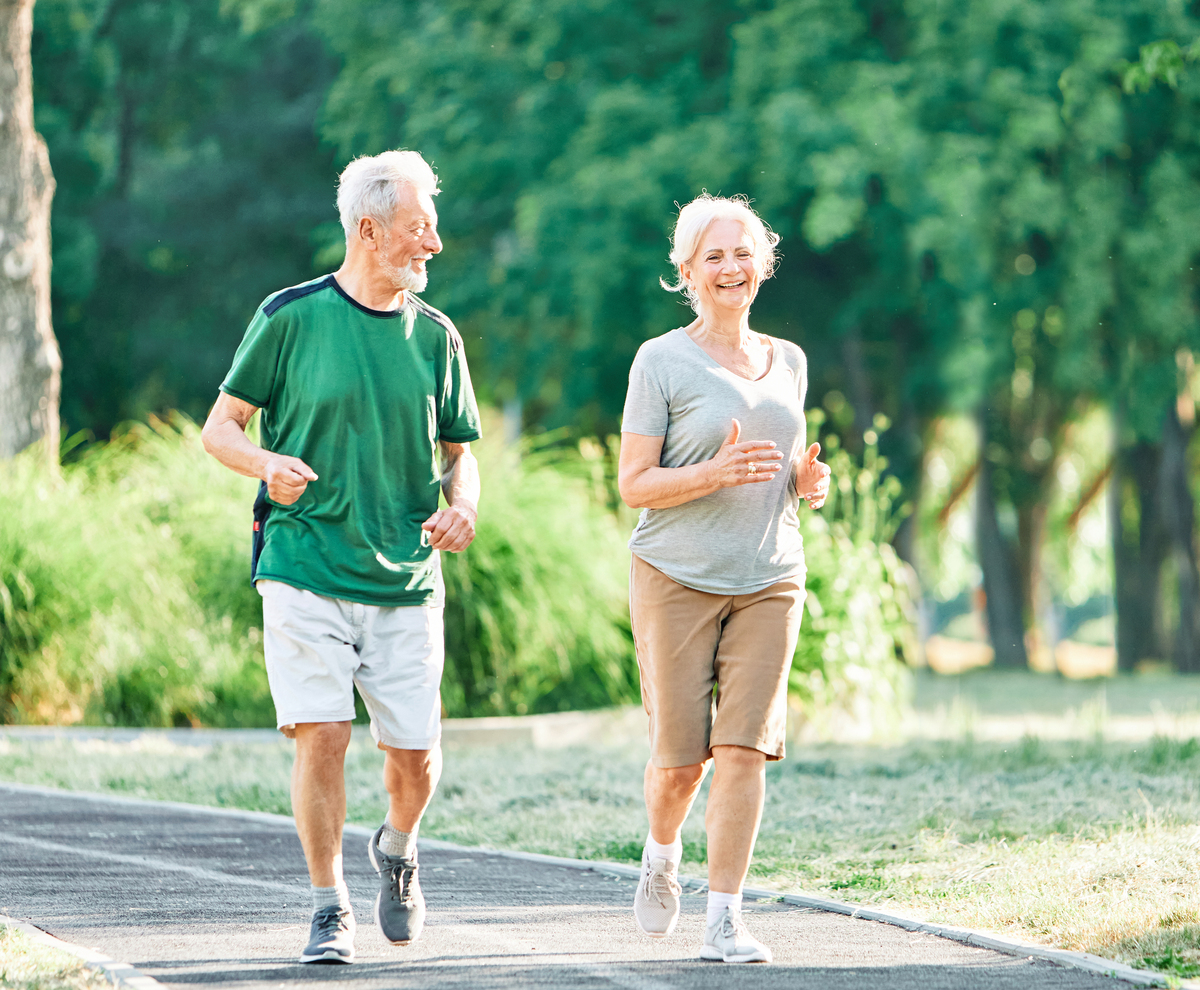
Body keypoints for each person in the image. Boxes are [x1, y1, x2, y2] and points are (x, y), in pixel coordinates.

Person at [200, 150, 481, 964]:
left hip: (403, 575)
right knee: (320, 735)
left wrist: (462, 504)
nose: (434, 241)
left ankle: (396, 847)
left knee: (417, 760)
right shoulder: (288, 317)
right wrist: (264, 465)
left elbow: (461, 447)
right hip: (303, 565)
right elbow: (220, 427)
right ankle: (329, 904)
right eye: (421, 224)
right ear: (371, 228)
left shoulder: (437, 337)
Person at [617, 193, 831, 964]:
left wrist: (808, 484)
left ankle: (725, 918)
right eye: (714, 256)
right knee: (682, 764)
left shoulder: (792, 361)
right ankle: (662, 851)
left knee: (744, 749)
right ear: (686, 271)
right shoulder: (661, 360)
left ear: (763, 263)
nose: (731, 268)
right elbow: (634, 485)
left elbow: (779, 471)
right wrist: (710, 473)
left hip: (771, 574)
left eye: (743, 253)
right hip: (676, 575)